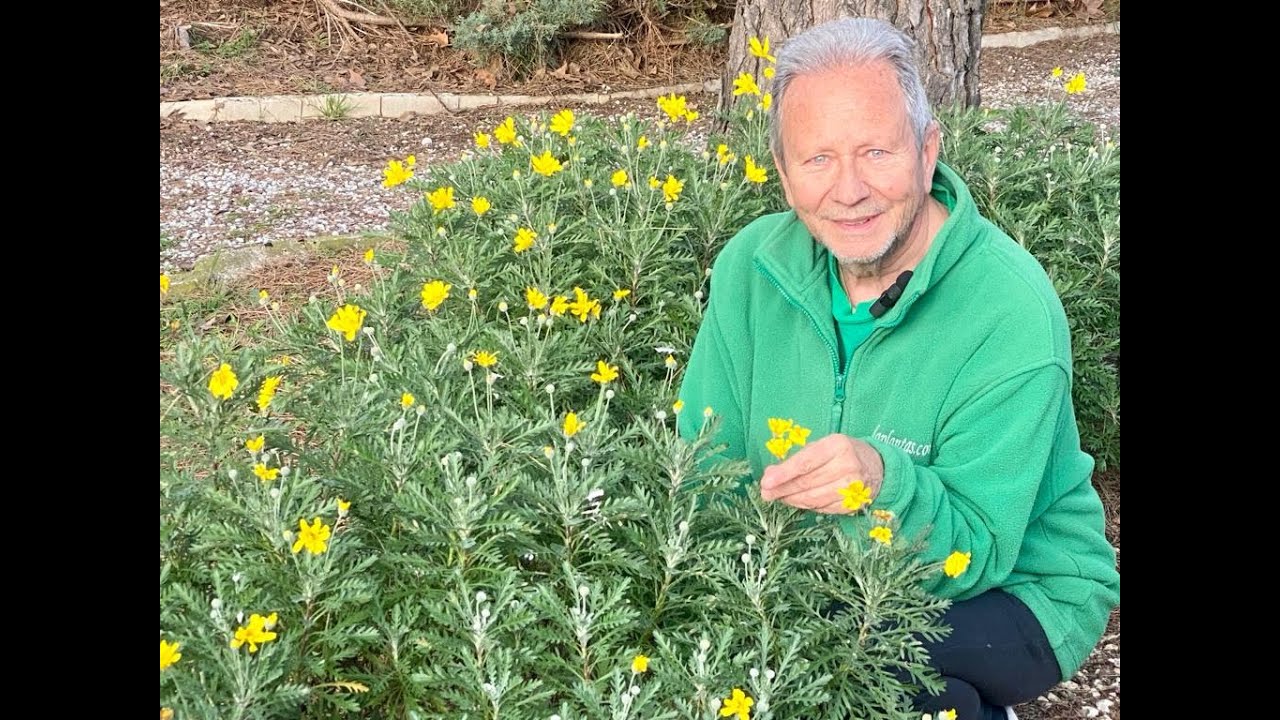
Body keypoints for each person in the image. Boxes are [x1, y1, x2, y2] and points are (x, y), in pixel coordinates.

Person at [676, 17, 1119, 720]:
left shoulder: (1009, 311)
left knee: (863, 662)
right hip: (817, 577)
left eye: (875, 151)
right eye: (817, 159)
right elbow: (704, 463)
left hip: (1015, 587)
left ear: (927, 151)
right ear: (783, 174)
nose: (848, 189)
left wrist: (883, 481)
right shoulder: (750, 270)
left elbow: (976, 550)